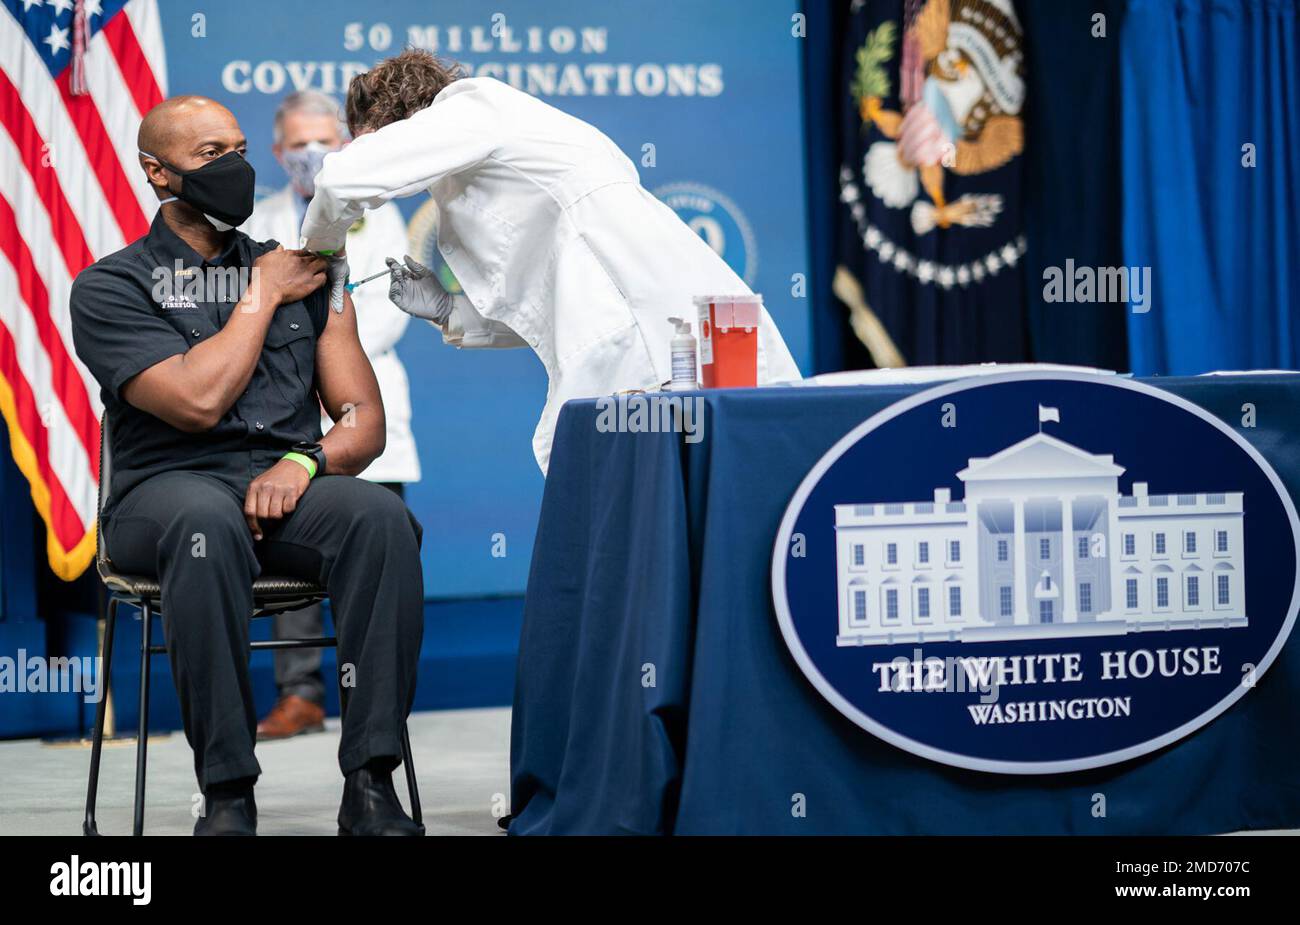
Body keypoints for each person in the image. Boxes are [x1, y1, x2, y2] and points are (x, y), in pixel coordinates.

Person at [69, 95, 425, 836]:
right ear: (158, 174)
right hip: (163, 499)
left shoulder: (309, 272)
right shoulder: (111, 287)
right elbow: (197, 401)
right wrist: (260, 295)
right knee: (205, 524)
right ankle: (229, 790)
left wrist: (307, 458)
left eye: (238, 149)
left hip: (281, 490)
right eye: (209, 155)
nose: (233, 167)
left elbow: (364, 418)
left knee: (382, 519)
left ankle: (371, 782)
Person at [300, 50, 803, 474]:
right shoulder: (499, 158)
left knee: (659, 505)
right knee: (692, 500)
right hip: (670, 331)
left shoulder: (474, 106)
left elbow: (341, 182)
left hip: (659, 343)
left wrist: (321, 253)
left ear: (388, 123)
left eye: (365, 139)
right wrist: (448, 310)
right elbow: (551, 305)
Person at [243, 90, 421, 741]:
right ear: (278, 151)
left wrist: (320, 350)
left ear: (345, 146)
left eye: (324, 140)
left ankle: (376, 700)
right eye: (298, 144)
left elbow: (382, 313)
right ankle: (300, 694)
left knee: (379, 545)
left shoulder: (380, 216)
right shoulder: (259, 221)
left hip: (365, 403)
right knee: (296, 548)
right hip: (286, 412)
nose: (312, 154)